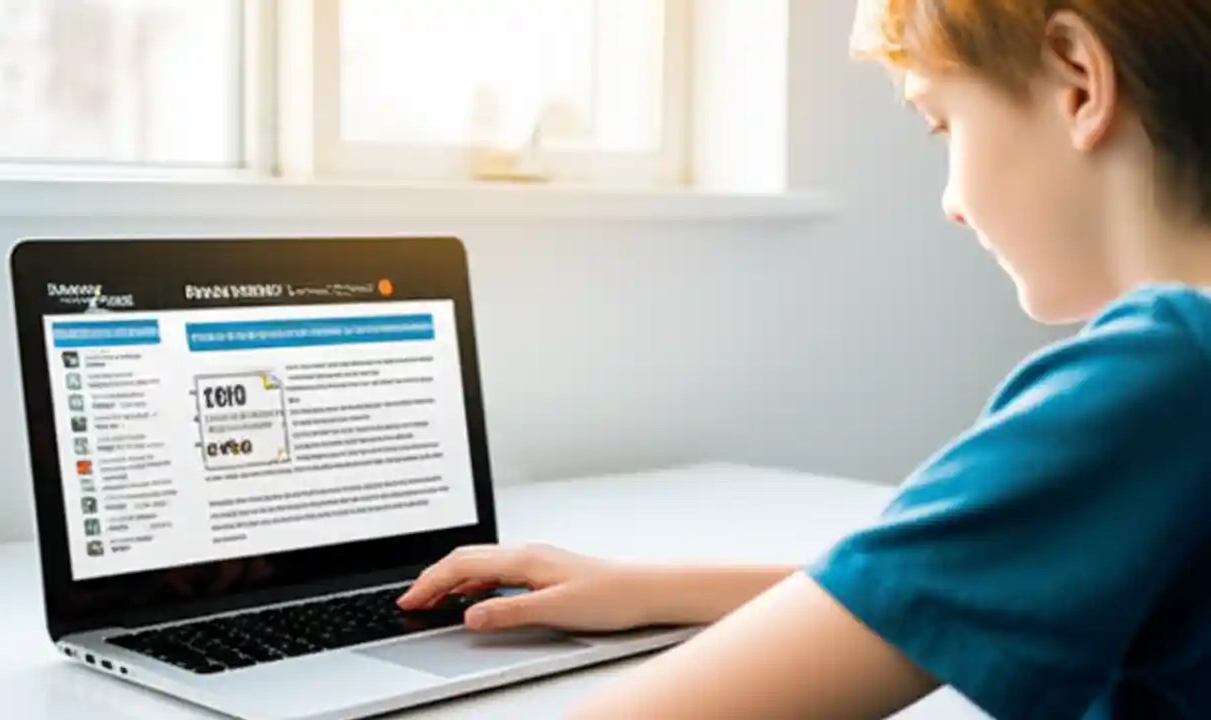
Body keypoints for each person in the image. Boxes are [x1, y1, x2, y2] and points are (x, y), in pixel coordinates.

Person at [398, 1, 1211, 717]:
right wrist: (648, 590)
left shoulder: (1157, 380)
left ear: (1078, 82)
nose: (951, 204)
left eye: (943, 123)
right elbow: (940, 587)